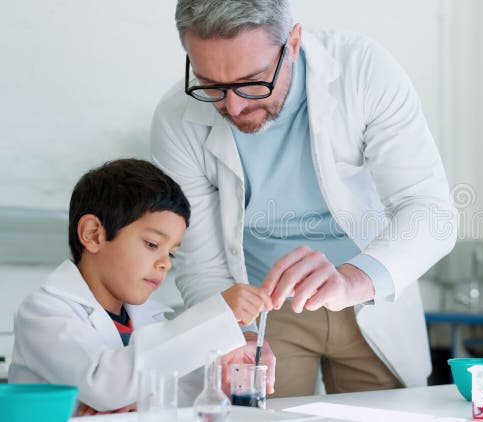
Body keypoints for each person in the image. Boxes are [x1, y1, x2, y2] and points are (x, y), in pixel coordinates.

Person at [150, 0, 457, 396]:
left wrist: (353, 280)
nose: (234, 106)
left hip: (367, 293)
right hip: (263, 311)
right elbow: (201, 264)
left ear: (292, 43)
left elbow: (430, 211)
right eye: (211, 84)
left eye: (252, 81)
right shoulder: (177, 119)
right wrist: (238, 335)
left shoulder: (363, 70)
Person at [9, 159, 276, 415]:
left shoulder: (147, 318)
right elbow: (104, 385)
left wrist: (221, 381)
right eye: (152, 244)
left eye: (171, 253)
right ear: (93, 234)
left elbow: (185, 391)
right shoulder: (43, 313)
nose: (165, 264)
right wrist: (217, 315)